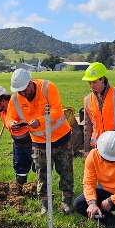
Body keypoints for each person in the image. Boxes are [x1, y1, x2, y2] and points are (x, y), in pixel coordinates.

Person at [7, 68, 75, 216]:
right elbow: (10, 117)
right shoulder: (15, 99)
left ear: (31, 83)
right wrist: (11, 123)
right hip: (38, 142)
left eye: (25, 90)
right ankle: (45, 204)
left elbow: (57, 111)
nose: (23, 94)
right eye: (20, 92)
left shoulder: (47, 87)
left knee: (66, 171)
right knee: (42, 174)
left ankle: (66, 201)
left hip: (61, 138)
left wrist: (41, 121)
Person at [0, 85, 34, 193]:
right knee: (19, 167)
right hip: (18, 143)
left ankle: (43, 192)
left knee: (39, 167)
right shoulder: (1, 111)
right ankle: (19, 190)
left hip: (32, 141)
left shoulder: (20, 105)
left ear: (2, 100)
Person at [81, 62, 115, 151]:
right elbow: (87, 126)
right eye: (89, 82)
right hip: (96, 146)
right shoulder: (87, 99)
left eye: (94, 82)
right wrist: (87, 149)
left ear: (102, 79)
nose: (91, 85)